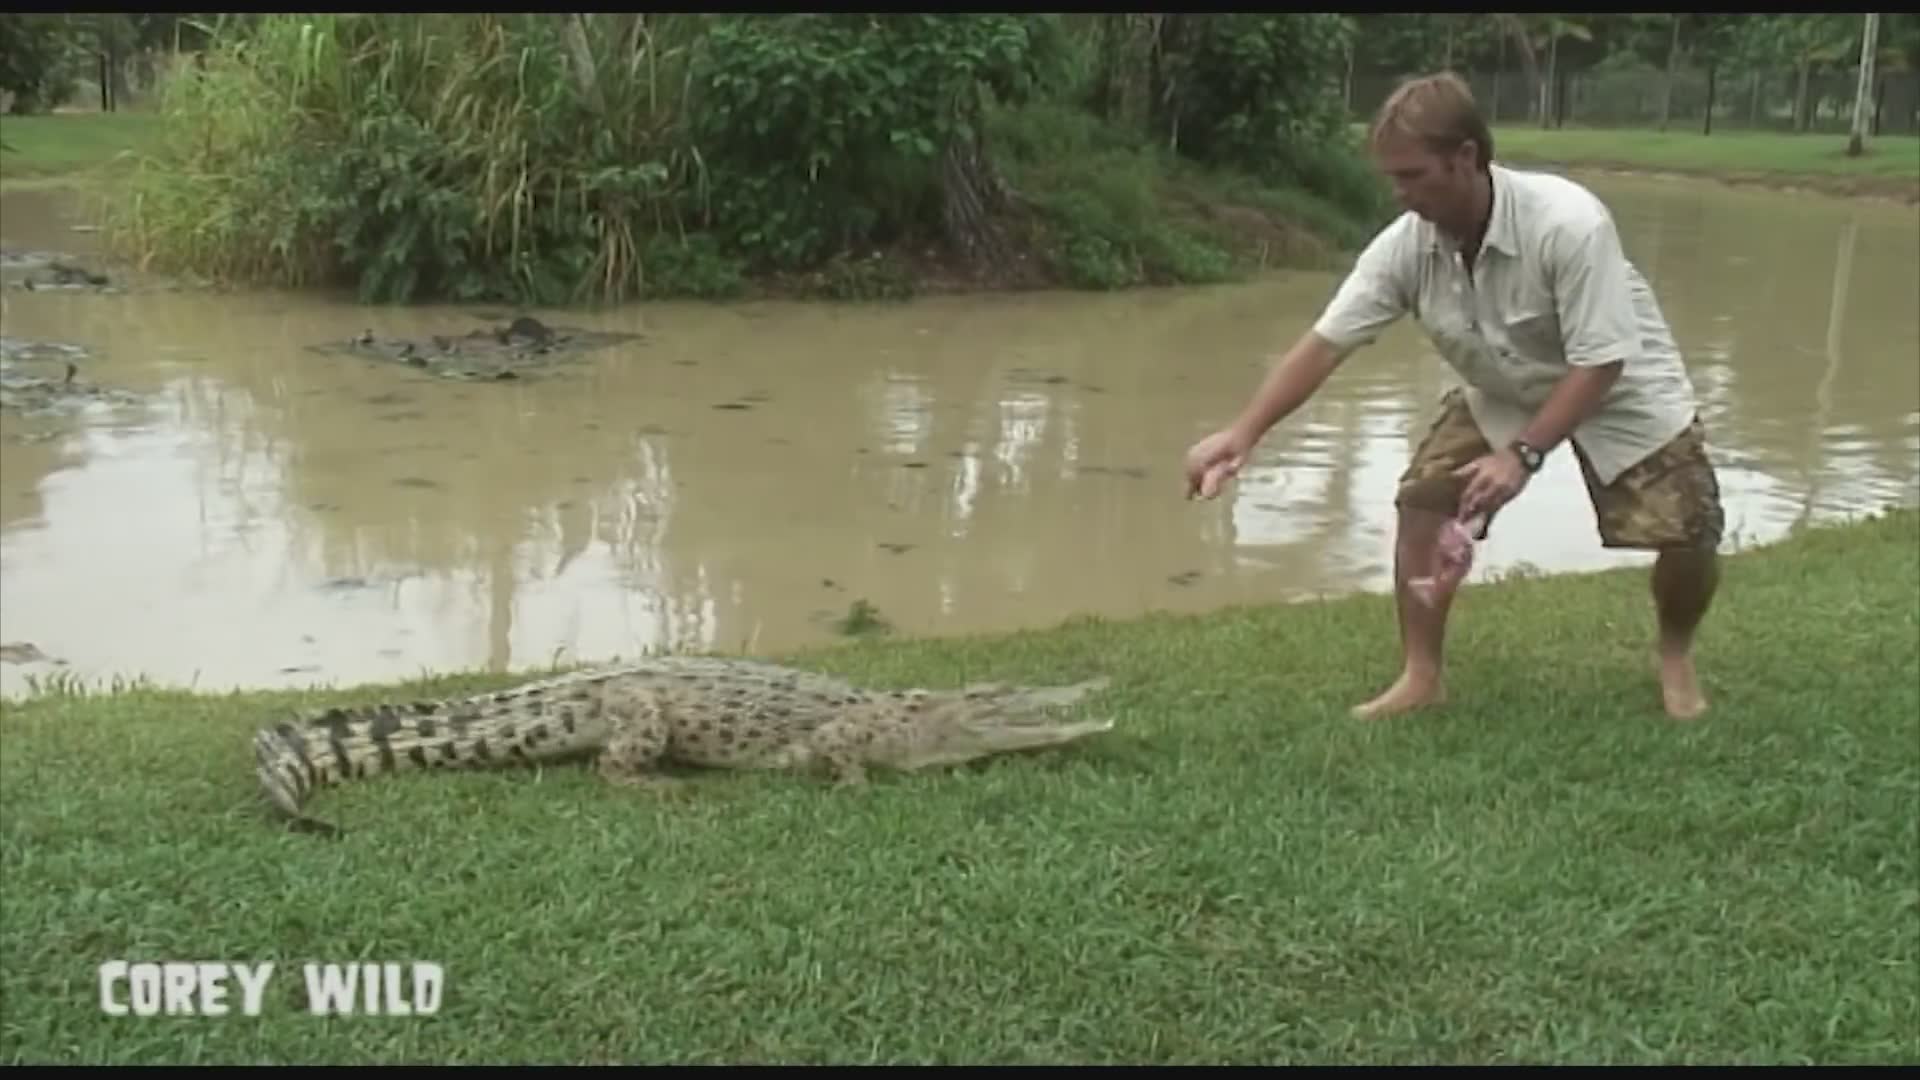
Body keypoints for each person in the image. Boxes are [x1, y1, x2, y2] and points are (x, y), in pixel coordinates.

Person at [1182, 72, 1725, 722]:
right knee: (1422, 498)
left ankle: (1674, 654)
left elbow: (1601, 360)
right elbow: (1325, 344)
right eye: (1393, 177)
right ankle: (1421, 675)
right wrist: (1243, 434)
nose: (1399, 194)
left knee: (1689, 534)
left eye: (1412, 176)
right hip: (1502, 388)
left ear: (1466, 158)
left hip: (1618, 386)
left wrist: (1521, 457)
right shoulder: (1405, 247)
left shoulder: (1568, 224)